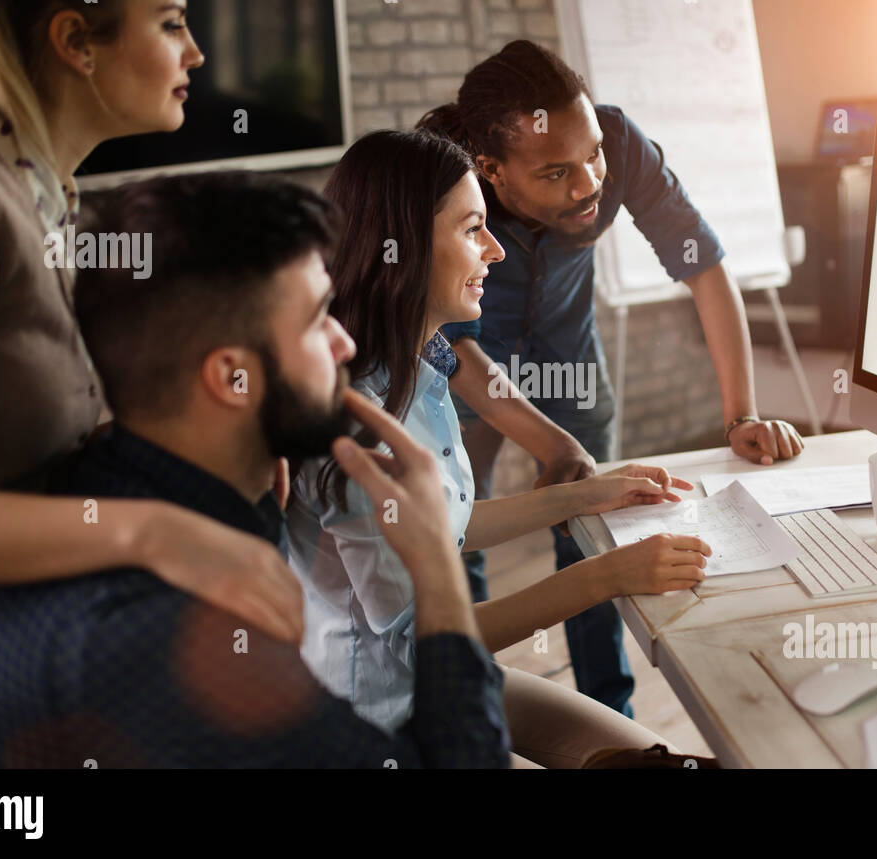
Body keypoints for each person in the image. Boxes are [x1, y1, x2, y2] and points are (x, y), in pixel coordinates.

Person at [0, 171, 511, 769]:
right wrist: (436, 570)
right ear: (228, 378)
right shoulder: (178, 645)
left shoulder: (98, 489)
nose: (344, 344)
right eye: (318, 318)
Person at [0, 0, 306, 769]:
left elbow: (31, 459)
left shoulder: (54, 202)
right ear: (76, 42)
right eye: (172, 22)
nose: (198, 55)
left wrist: (213, 460)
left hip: (19, 691)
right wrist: (155, 528)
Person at [289, 130, 710, 768]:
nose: (495, 251)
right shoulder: (356, 427)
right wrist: (606, 575)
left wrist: (586, 494)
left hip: (446, 686)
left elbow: (447, 525)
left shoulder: (418, 368)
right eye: (472, 229)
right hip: (382, 725)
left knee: (670, 763)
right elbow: (418, 642)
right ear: (397, 249)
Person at [417, 40, 807, 716]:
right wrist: (552, 444)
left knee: (591, 526)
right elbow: (450, 345)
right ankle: (469, 700)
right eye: (557, 172)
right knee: (459, 527)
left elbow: (704, 269)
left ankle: (609, 712)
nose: (590, 184)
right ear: (491, 171)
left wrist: (741, 416)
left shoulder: (620, 144)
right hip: (471, 365)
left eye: (593, 153)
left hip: (572, 353)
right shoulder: (443, 174)